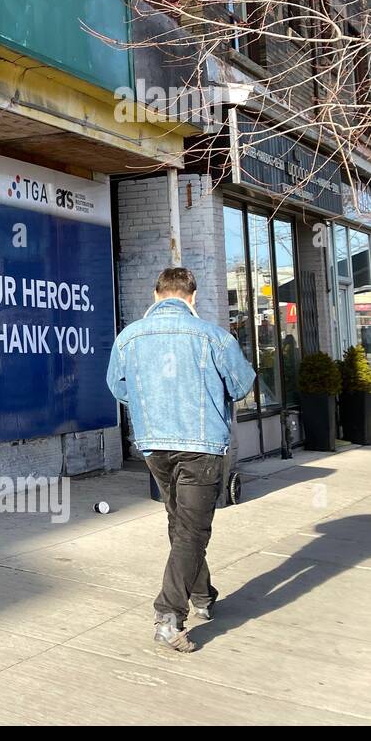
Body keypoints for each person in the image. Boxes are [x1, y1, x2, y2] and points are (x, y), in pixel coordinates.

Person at [105, 267, 256, 653]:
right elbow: (241, 385)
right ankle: (169, 616)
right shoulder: (214, 337)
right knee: (192, 530)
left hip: (154, 444)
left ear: (156, 295)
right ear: (193, 297)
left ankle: (203, 596)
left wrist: (150, 402)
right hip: (201, 445)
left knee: (180, 523)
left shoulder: (129, 338)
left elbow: (117, 386)